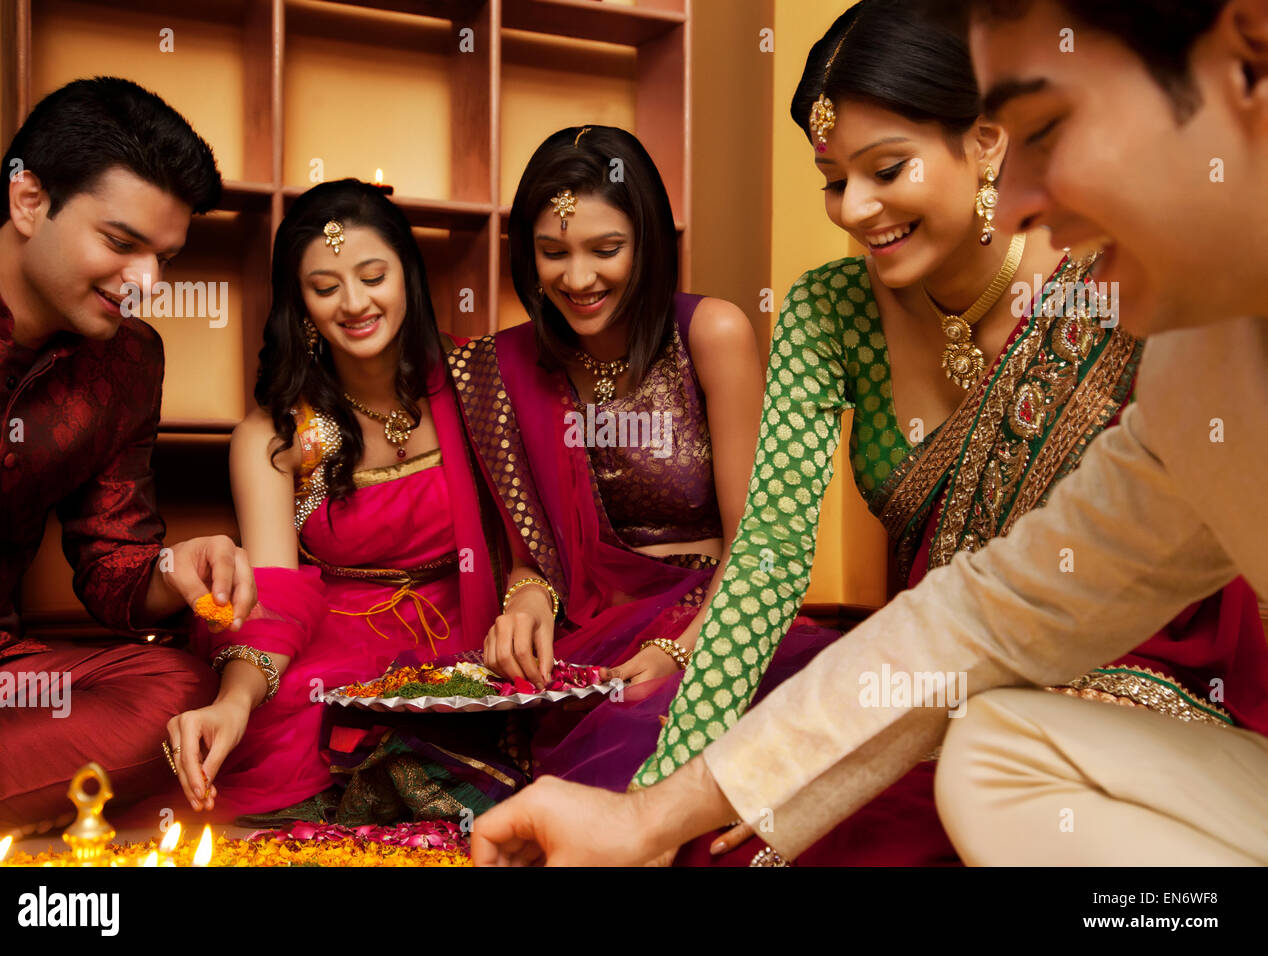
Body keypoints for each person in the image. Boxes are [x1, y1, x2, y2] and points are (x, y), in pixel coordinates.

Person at [469, 0, 1268, 866]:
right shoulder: (1200, 373)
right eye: (832, 177)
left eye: (1051, 126)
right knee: (968, 756)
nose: (851, 209)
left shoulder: (1145, 307)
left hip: (1147, 687)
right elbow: (978, 610)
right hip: (982, 697)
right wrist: (653, 815)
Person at [449, 125, 838, 791]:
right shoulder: (503, 368)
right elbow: (531, 556)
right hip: (584, 637)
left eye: (606, 250)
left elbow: (758, 545)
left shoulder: (710, 334)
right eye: (552, 253)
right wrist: (526, 597)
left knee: (678, 747)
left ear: (649, 245)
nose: (578, 278)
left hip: (718, 619)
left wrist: (681, 650)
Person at [166, 179, 534, 824]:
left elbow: (531, 529)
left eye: (373, 276)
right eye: (326, 287)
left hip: (475, 620)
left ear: (408, 278)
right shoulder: (276, 436)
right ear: (299, 304)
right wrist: (235, 701)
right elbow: (275, 590)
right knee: (279, 736)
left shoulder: (476, 385)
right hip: (336, 641)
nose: (355, 303)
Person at [0, 76, 256, 842]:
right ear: (28, 198)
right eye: (122, 244)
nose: (145, 285)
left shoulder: (127, 362)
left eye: (164, 257)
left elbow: (112, 567)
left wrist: (176, 568)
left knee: (175, 691)